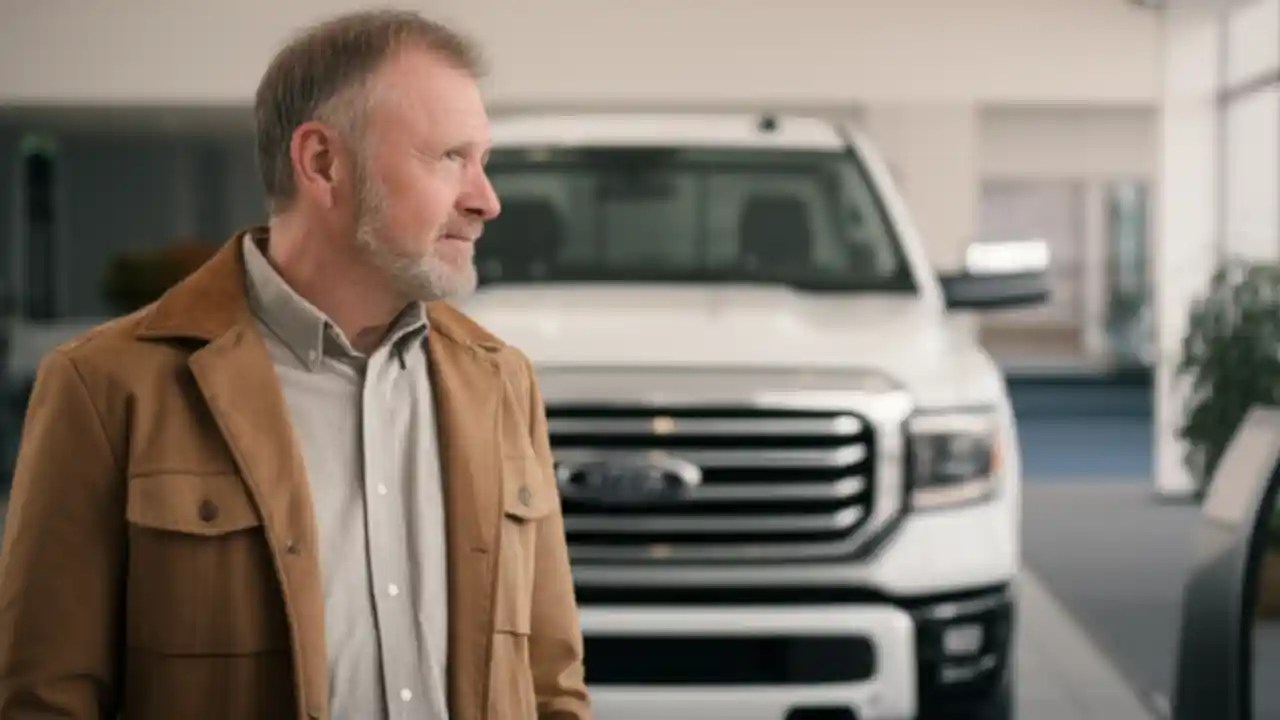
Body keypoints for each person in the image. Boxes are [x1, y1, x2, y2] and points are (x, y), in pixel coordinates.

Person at [0, 10, 590, 720]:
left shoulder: (503, 381)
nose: (486, 200)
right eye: (449, 158)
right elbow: (46, 701)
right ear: (322, 162)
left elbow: (551, 685)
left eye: (483, 161)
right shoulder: (105, 387)